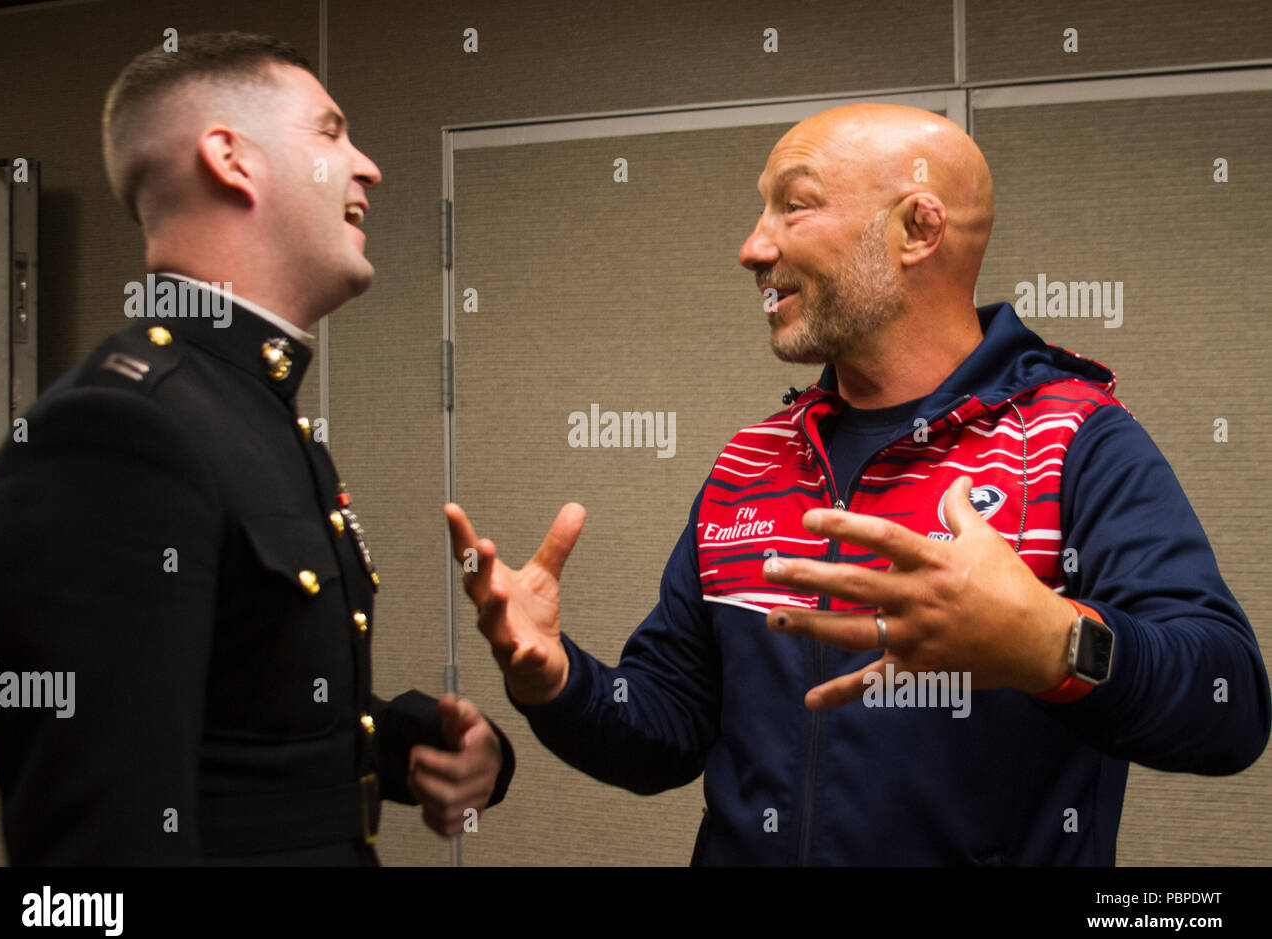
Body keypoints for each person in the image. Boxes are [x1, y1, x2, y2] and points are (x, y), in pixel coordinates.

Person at [445, 103, 1270, 865]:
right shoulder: (750, 464)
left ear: (918, 229)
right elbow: (669, 726)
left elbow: (1228, 705)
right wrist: (555, 680)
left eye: (793, 206)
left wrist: (1053, 643)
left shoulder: (1071, 441)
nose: (753, 247)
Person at [0, 31, 513, 865]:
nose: (368, 166)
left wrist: (418, 748)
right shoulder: (114, 433)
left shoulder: (251, 408)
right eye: (331, 132)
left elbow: (240, 723)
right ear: (230, 158)